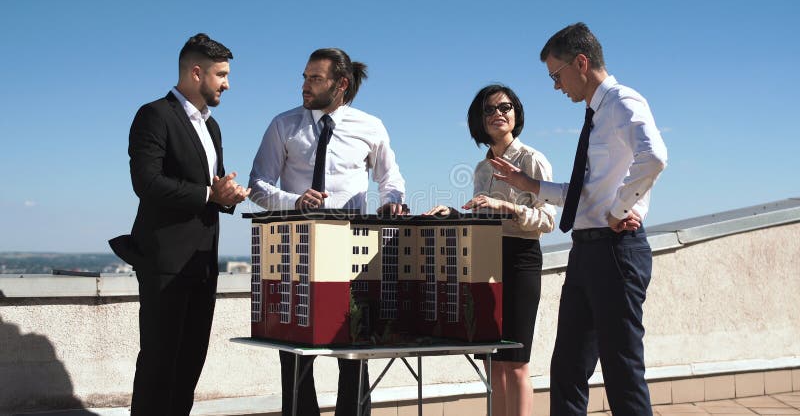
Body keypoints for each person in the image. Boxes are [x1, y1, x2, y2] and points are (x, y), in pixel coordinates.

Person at [489, 22, 668, 415]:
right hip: (586, 253)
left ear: (581, 63)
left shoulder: (622, 102)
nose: (556, 86)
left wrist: (622, 209)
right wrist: (526, 183)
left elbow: (654, 157)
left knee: (622, 371)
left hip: (616, 251)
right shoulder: (596, 115)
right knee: (567, 369)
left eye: (557, 75)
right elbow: (586, 194)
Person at [248, 47, 407, 416]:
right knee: (296, 353)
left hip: (351, 253)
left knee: (353, 348)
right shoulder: (283, 125)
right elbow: (257, 185)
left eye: (315, 78)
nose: (305, 85)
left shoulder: (370, 126)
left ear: (341, 84)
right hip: (296, 252)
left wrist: (392, 201)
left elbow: (390, 177)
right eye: (305, 77)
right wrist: (294, 201)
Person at [109, 33, 250, 416]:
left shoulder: (212, 127)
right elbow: (146, 182)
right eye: (221, 75)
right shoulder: (154, 115)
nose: (227, 84)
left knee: (189, 366)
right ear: (196, 72)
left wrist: (227, 194)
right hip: (165, 261)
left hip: (203, 263)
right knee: (159, 365)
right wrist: (208, 194)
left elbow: (212, 188)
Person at [424, 84, 555, 416]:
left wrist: (506, 207)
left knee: (516, 362)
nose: (498, 113)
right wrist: (454, 215)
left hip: (521, 260)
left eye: (505, 107)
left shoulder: (531, 160)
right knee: (492, 362)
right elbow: (483, 218)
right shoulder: (482, 169)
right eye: (489, 109)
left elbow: (548, 220)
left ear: (516, 114)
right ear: (478, 120)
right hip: (486, 261)